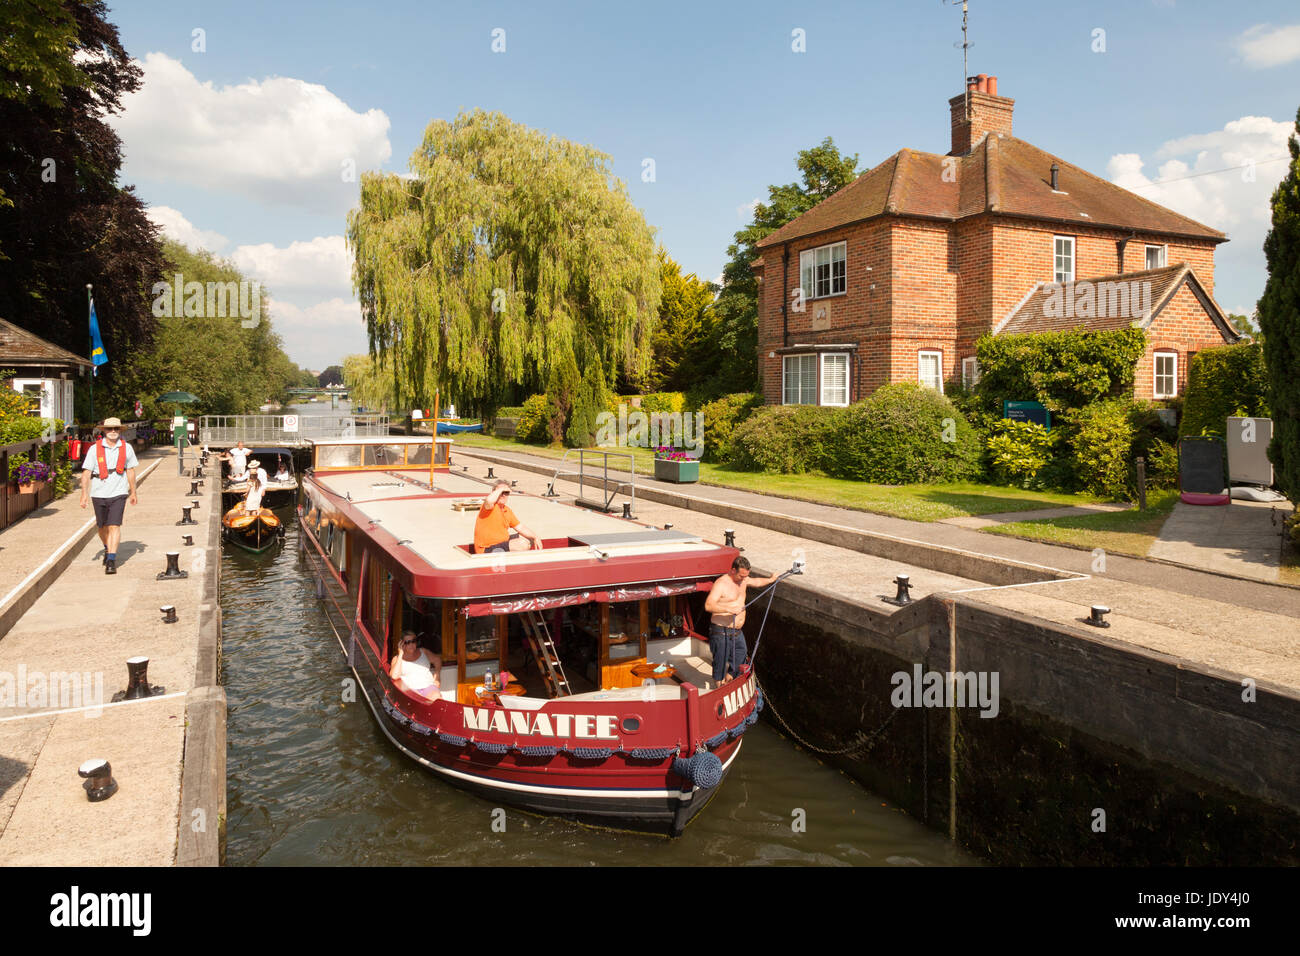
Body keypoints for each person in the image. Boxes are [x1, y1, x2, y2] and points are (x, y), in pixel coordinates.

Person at [79, 417, 139, 575]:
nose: (113, 432)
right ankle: (107, 548)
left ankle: (111, 559)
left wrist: (133, 491)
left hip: (119, 491)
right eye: (109, 429)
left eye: (116, 429)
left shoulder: (127, 448)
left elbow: (131, 471)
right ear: (103, 431)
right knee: (102, 527)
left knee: (114, 525)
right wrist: (84, 494)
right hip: (98, 491)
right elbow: (86, 473)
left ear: (120, 431)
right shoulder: (94, 449)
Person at [703, 557, 776, 685]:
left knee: (741, 655)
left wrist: (771, 579)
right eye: (741, 576)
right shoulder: (721, 584)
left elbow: (757, 581)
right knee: (720, 663)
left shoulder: (744, 580)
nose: (744, 579)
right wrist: (728, 609)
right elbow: (708, 605)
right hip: (721, 631)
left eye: (746, 576)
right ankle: (719, 687)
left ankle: (729, 680)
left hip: (737, 631)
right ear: (732, 570)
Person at [473, 480, 542, 554]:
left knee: (528, 538)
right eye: (501, 492)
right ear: (494, 492)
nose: (503, 495)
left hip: (501, 543)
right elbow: (489, 500)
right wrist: (502, 489)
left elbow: (520, 527)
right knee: (522, 544)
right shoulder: (488, 507)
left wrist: (535, 537)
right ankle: (497, 554)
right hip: (487, 548)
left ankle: (501, 553)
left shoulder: (507, 510)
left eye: (506, 493)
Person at [389, 631, 442, 698]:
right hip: (411, 690)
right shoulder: (397, 658)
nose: (411, 644)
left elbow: (437, 660)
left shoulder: (423, 651)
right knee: (420, 701)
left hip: (428, 686)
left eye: (413, 641)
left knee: (437, 698)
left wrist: (437, 676)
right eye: (408, 642)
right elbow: (394, 676)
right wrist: (401, 653)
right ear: (402, 644)